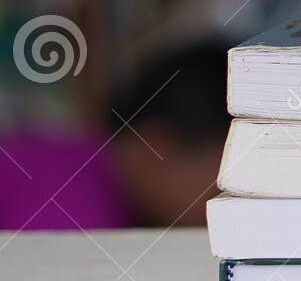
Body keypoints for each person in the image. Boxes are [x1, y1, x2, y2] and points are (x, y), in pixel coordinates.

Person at [0, 42, 231, 230]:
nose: (238, 207)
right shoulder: (69, 217)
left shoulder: (90, 165)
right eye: (221, 192)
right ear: (158, 147)